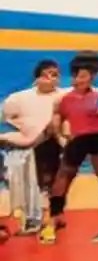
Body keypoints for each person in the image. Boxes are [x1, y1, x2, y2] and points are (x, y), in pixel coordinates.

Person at [41, 53, 98, 244]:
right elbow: (57, 121)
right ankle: (55, 216)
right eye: (76, 76)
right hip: (78, 139)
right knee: (63, 177)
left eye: (83, 76)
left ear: (91, 77)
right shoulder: (63, 99)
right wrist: (62, 138)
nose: (77, 80)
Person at [0, 59, 63, 236]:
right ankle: (31, 220)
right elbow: (5, 118)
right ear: (37, 78)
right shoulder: (18, 99)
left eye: (55, 75)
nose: (51, 78)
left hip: (54, 146)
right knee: (25, 185)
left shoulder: (64, 96)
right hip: (23, 150)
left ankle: (52, 217)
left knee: (52, 183)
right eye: (46, 75)